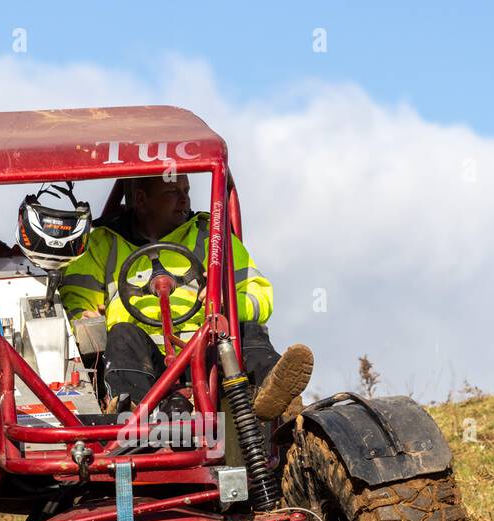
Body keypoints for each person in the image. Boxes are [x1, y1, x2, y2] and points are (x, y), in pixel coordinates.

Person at [59, 175, 311, 420]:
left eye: (186, 191)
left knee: (244, 330)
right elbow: (76, 299)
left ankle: (274, 389)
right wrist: (84, 317)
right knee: (122, 335)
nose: (184, 201)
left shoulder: (209, 235)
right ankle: (133, 411)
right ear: (141, 199)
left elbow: (259, 293)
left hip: (206, 350)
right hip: (143, 359)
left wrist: (226, 301)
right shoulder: (103, 241)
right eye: (172, 193)